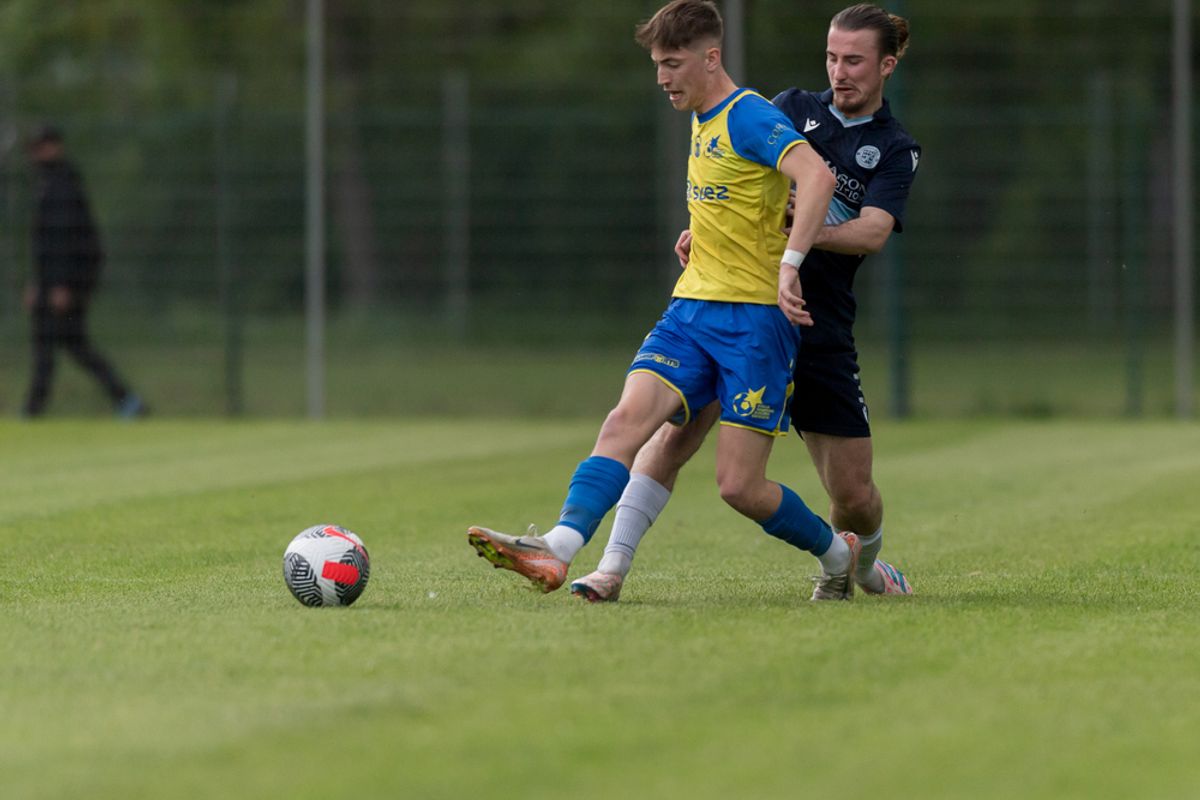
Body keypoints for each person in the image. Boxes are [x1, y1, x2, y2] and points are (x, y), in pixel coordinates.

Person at [468, 0, 850, 596]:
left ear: (711, 58)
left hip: (755, 324)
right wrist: (704, 229)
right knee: (626, 421)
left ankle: (836, 555)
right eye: (657, 64)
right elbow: (742, 195)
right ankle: (558, 548)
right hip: (692, 310)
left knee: (739, 487)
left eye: (672, 63)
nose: (661, 77)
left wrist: (790, 266)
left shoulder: (748, 114)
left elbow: (818, 177)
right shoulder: (700, 115)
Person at [570, 3, 921, 602]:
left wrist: (800, 238)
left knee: (854, 498)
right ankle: (610, 567)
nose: (840, 71)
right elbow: (732, 178)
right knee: (670, 438)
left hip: (818, 325)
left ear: (887, 65)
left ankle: (861, 567)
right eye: (832, 57)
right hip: (742, 309)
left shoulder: (894, 148)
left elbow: (873, 232)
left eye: (855, 60)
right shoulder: (786, 109)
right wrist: (704, 230)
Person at [21, 125, 145, 419]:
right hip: (54, 283)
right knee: (72, 347)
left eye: (41, 147)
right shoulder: (51, 183)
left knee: (53, 347)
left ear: (55, 146)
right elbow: (46, 243)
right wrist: (38, 283)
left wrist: (63, 285)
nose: (36, 155)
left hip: (65, 284)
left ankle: (33, 411)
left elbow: (66, 240)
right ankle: (127, 401)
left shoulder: (63, 185)